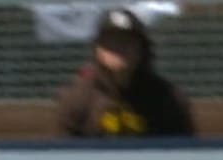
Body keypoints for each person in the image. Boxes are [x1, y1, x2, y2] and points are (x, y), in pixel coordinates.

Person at [56, 7, 194, 138]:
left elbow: (184, 155)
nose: (118, 49)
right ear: (97, 50)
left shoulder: (168, 99)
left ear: (142, 49)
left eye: (127, 42)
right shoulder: (77, 99)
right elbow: (65, 157)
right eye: (110, 42)